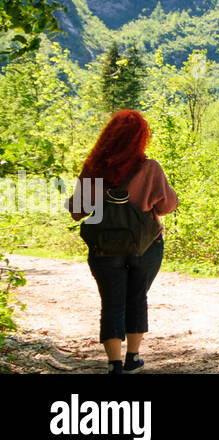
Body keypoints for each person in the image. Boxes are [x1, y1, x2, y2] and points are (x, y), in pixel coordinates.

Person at [67, 110, 179, 374]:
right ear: (142, 138)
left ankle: (114, 363)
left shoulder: (95, 168)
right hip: (146, 244)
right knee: (137, 297)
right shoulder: (150, 168)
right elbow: (167, 206)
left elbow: (77, 211)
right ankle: (133, 358)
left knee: (112, 301)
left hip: (104, 245)